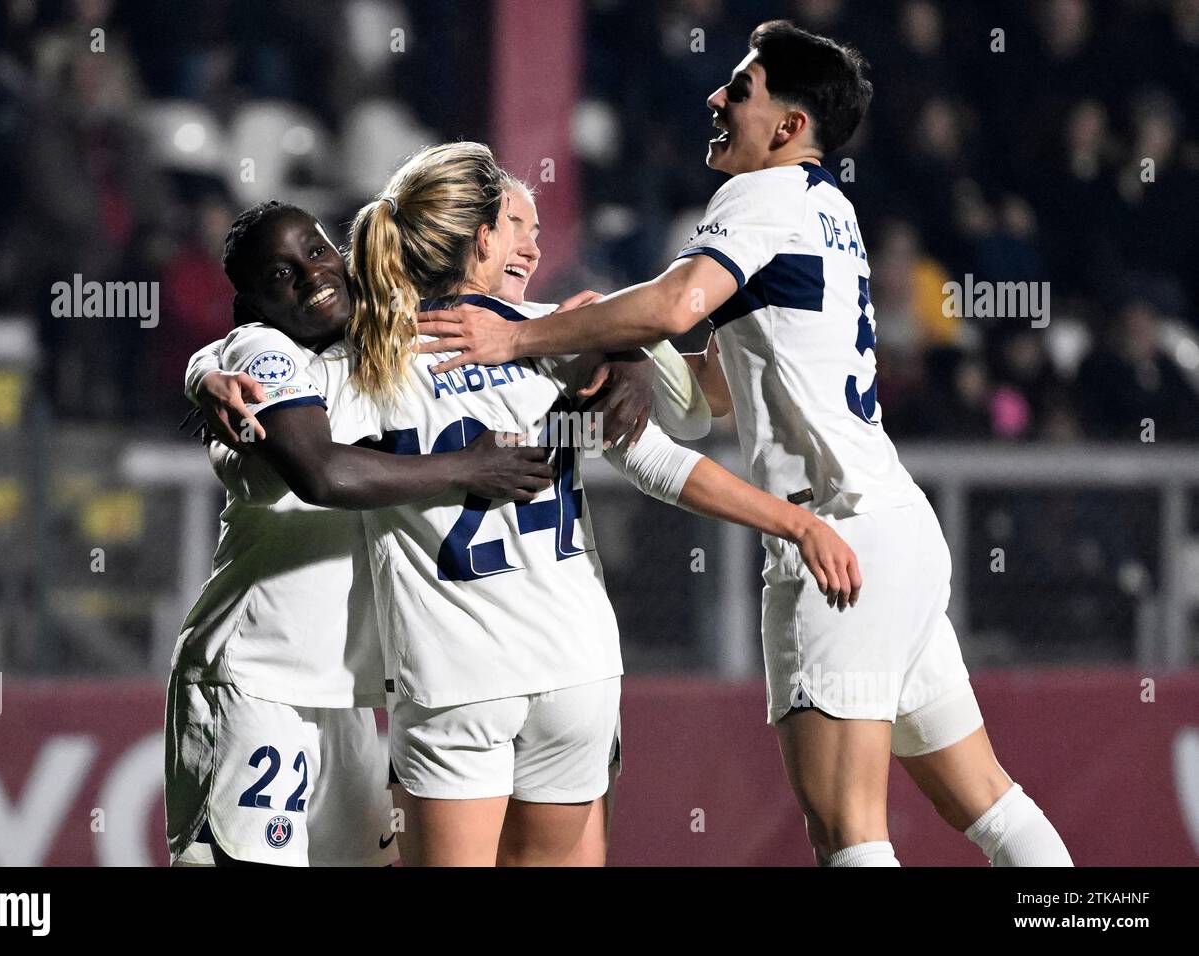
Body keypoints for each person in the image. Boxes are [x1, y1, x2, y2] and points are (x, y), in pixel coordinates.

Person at [415, 22, 1072, 867]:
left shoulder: (758, 197)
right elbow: (710, 394)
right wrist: (629, 350)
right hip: (897, 530)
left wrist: (528, 338)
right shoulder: (831, 209)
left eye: (742, 89)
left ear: (790, 126)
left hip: (833, 539)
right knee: (991, 804)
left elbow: (680, 300)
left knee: (848, 834)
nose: (716, 100)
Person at [321, 140, 857, 866]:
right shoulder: (552, 339)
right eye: (519, 228)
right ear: (481, 239)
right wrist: (794, 521)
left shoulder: (363, 359)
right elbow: (664, 460)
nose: (535, 248)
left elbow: (298, 458)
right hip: (576, 667)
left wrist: (219, 376)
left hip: (457, 674)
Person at [165, 200, 558, 867]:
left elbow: (557, 325)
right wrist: (471, 467)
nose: (311, 275)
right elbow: (322, 475)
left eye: (316, 252)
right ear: (256, 304)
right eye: (281, 274)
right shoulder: (262, 353)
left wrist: (628, 352)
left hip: (341, 692)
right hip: (257, 679)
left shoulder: (378, 342)